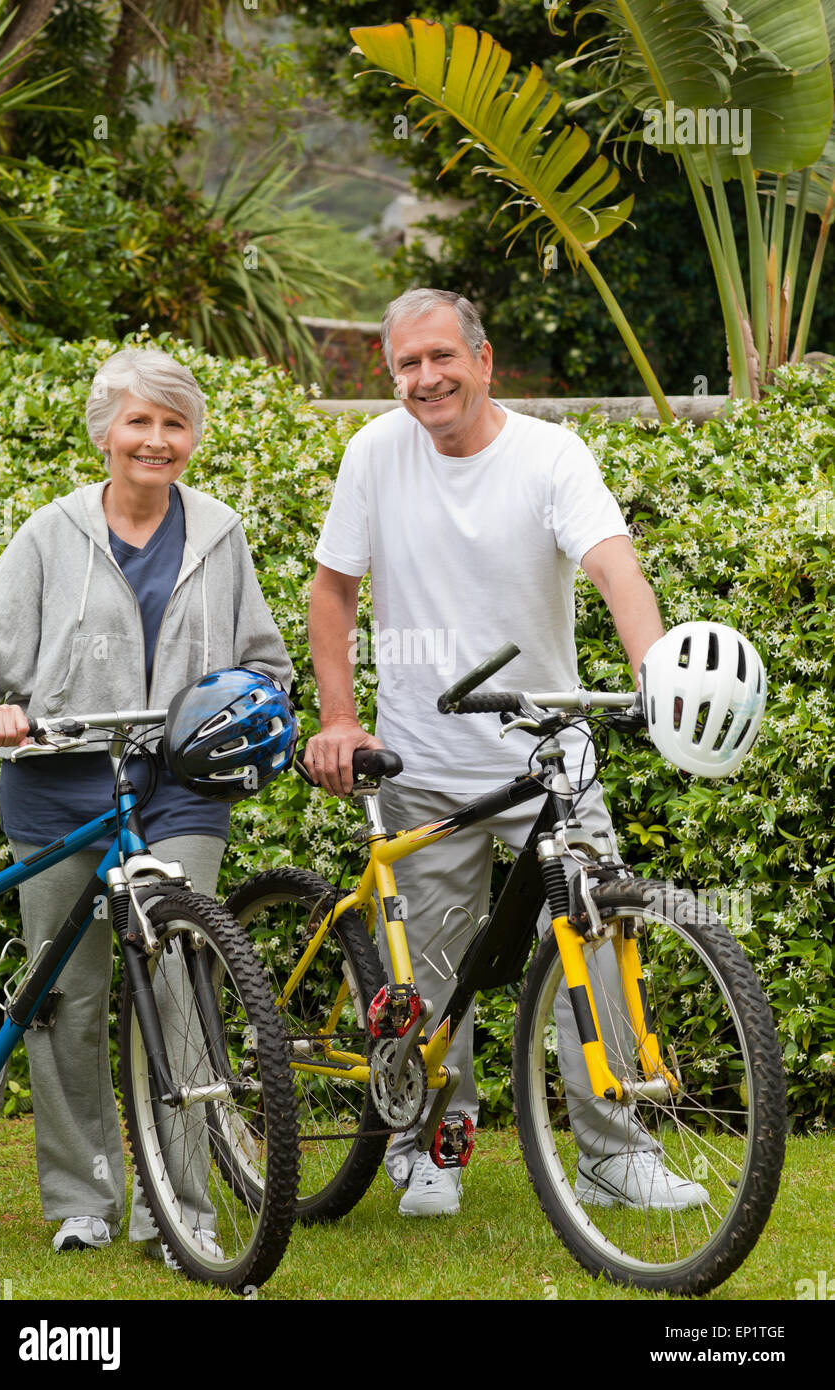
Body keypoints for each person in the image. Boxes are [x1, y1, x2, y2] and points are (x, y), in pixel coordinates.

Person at [304, 287, 708, 1218]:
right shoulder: (374, 454)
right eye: (407, 363)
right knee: (437, 968)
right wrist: (339, 717)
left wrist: (651, 670)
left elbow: (614, 562)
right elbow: (334, 593)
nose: (425, 377)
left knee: (596, 933)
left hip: (546, 753)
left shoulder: (550, 455)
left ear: (484, 362)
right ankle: (432, 1148)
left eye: (442, 357)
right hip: (424, 755)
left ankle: (613, 1152)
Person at [0, 348, 292, 1253]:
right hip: (59, 785)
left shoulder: (220, 533)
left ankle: (174, 1205)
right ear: (105, 431)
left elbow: (264, 663)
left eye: (174, 423)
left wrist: (246, 711)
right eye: (138, 422)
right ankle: (84, 1197)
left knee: (179, 978)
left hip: (179, 788)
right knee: (66, 999)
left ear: (192, 438)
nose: (156, 440)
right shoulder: (48, 533)